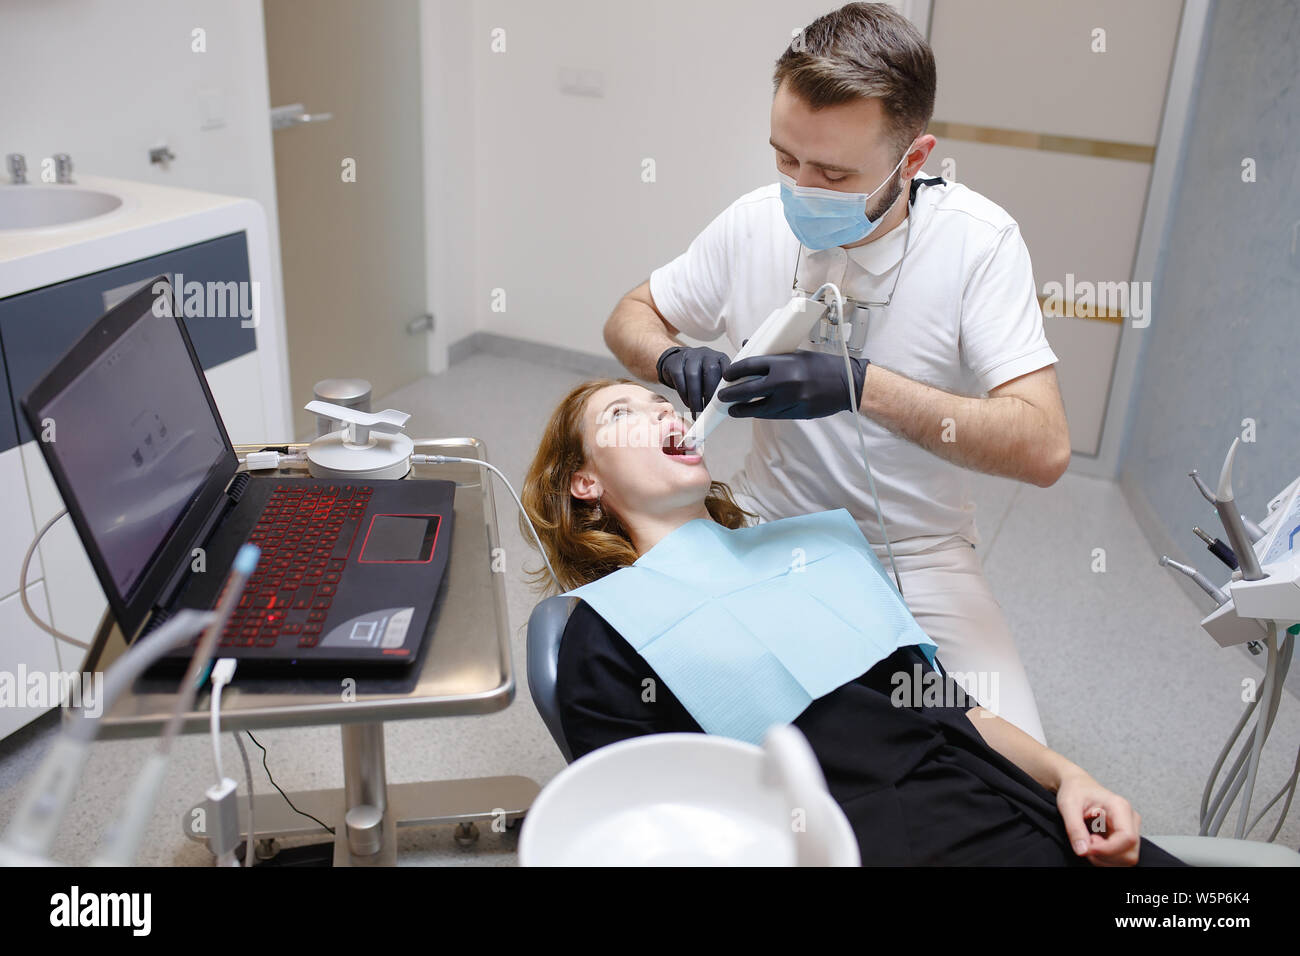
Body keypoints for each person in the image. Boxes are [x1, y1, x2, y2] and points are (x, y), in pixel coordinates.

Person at [602, 2, 1068, 745]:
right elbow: (629, 313)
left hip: (918, 554)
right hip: (767, 524)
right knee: (701, 736)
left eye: (833, 172)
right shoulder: (755, 220)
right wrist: (667, 356)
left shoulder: (978, 246)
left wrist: (860, 385)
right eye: (786, 158)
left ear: (913, 160)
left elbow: (1043, 448)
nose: (800, 187)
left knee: (1013, 767)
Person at [519, 379, 1184, 866]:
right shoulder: (608, 636)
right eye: (621, 412)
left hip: (1012, 804)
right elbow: (647, 829)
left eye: (663, 401)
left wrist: (1072, 778)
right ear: (585, 484)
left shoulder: (820, 555)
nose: (662, 410)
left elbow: (956, 709)